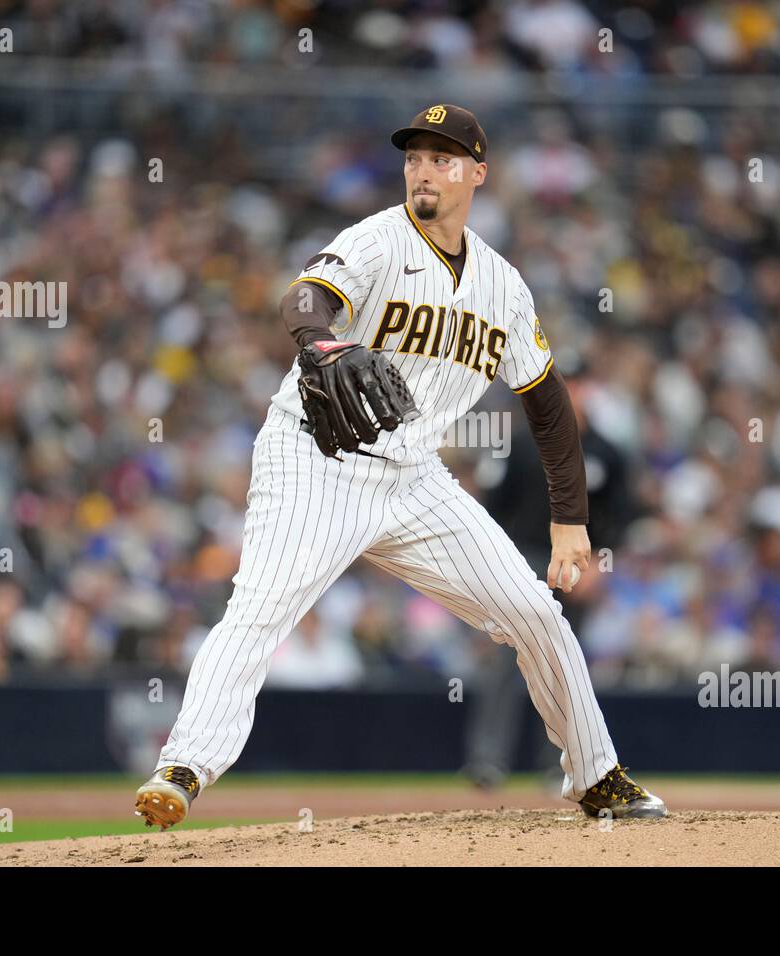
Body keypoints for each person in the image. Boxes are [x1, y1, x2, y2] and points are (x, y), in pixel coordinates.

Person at [134, 105, 667, 829]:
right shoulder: (380, 239)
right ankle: (184, 766)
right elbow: (305, 298)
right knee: (260, 608)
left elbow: (547, 403)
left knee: (537, 614)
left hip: (415, 477)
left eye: (444, 158)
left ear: (477, 174)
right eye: (416, 155)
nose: (424, 168)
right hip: (315, 459)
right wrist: (319, 342)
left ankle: (597, 775)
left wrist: (569, 520)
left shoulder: (504, 286)